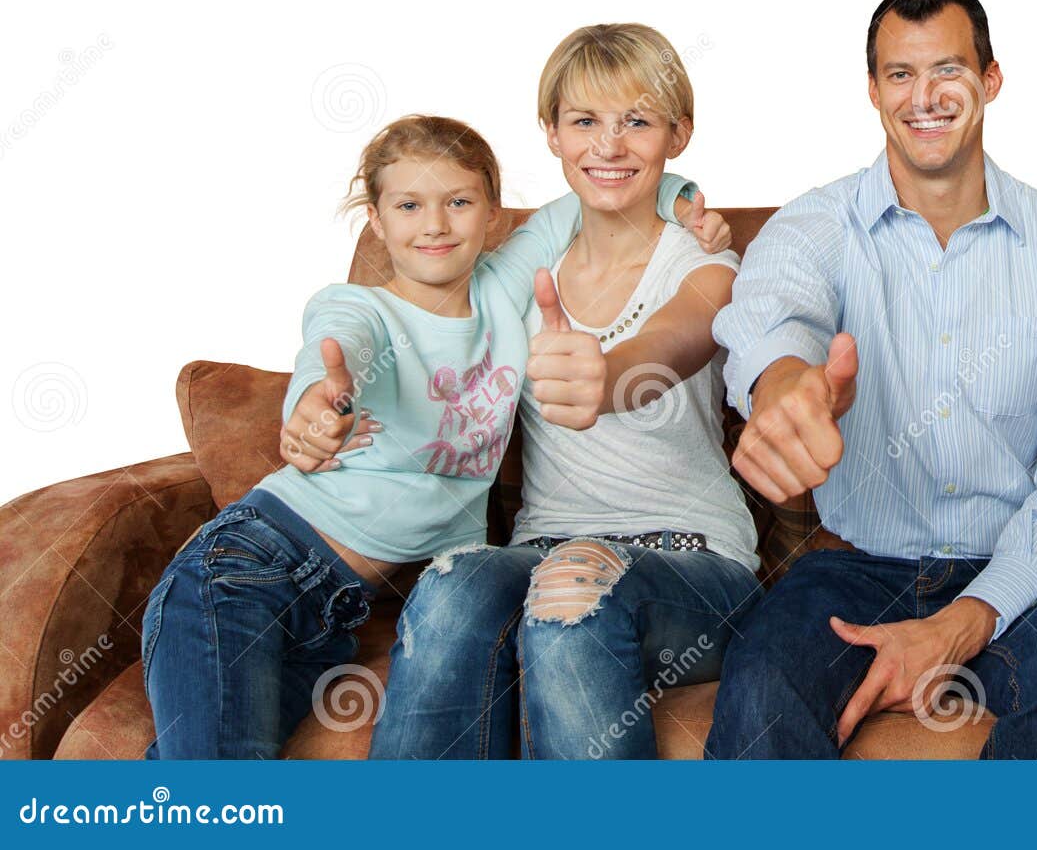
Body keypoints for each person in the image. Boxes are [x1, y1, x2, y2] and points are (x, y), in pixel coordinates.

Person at [143, 113, 718, 758]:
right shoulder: (359, 307)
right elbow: (335, 349)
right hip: (250, 570)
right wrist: (317, 403)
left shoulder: (503, 287)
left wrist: (684, 201)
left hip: (338, 615)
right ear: (376, 219)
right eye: (409, 205)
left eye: (459, 202)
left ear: (493, 213)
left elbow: (595, 190)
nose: (436, 224)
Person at [703, 0, 1037, 760]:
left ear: (991, 80)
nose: (925, 96)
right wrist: (782, 383)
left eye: (949, 70)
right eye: (900, 74)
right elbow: (773, 311)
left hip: (1020, 570)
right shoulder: (814, 224)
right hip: (854, 570)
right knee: (762, 689)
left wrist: (964, 619)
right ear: (873, 91)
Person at [369, 25, 761, 759]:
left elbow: (678, 335)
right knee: (452, 585)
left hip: (694, 564)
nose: (608, 145)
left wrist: (607, 377)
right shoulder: (519, 272)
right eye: (584, 121)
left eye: (636, 121)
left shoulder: (707, 262)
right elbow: (410, 326)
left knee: (572, 590)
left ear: (677, 134)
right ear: (551, 133)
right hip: (540, 550)